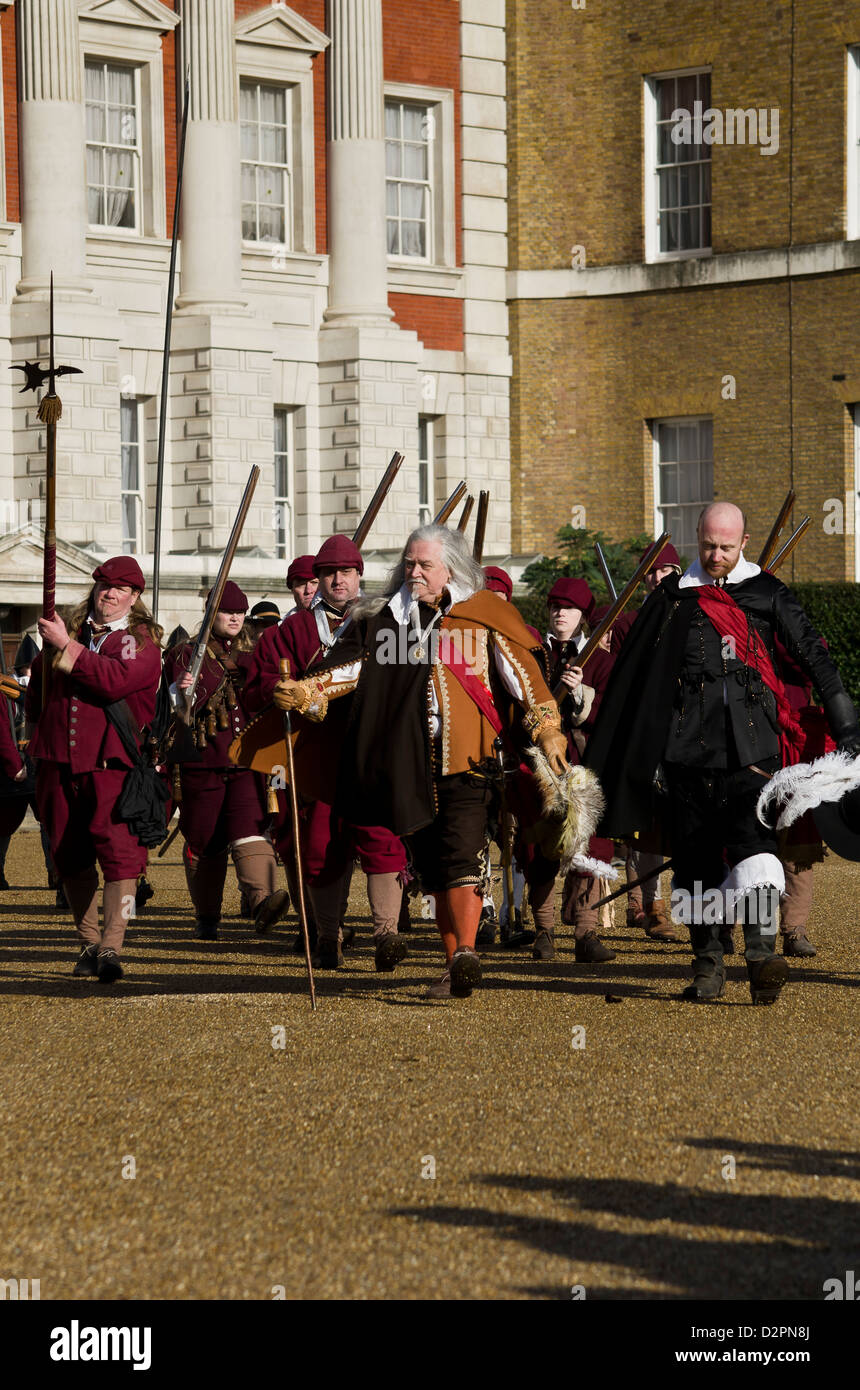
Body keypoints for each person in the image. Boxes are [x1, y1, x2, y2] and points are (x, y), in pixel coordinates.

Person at [270, 526, 570, 999]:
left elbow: (523, 678)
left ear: (450, 567)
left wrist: (548, 727)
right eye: (408, 563)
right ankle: (454, 965)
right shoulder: (385, 619)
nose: (413, 572)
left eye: (424, 564)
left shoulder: (485, 615)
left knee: (463, 854)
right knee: (432, 867)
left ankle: (466, 951)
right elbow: (354, 670)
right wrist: (308, 690)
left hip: (471, 760)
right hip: (407, 764)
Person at [585, 502, 860, 1004]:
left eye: (726, 548)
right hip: (685, 751)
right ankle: (708, 967)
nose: (716, 556)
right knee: (695, 861)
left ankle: (760, 958)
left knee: (754, 845)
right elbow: (633, 679)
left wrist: (846, 723)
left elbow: (814, 655)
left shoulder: (767, 592)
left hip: (755, 750)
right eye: (708, 546)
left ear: (744, 543)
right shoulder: (672, 597)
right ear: (698, 538)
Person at [243, 535, 408, 972]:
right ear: (316, 580)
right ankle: (326, 938)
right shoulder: (289, 632)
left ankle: (385, 934)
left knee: (382, 840)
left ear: (360, 576)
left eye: (346, 572)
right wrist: (274, 690)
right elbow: (257, 685)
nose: (338, 580)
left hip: (372, 751)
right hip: (313, 755)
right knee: (318, 846)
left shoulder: (388, 624)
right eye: (328, 573)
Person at [25, 557, 163, 982]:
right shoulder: (68, 631)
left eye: (121, 588)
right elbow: (37, 694)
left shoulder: (140, 641)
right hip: (58, 764)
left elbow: (114, 681)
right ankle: (87, 941)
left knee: (122, 862)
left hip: (113, 767)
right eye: (105, 585)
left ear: (135, 597)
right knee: (68, 856)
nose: (110, 593)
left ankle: (113, 943)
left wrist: (66, 646)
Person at [163, 581, 288, 940]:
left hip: (247, 761)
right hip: (202, 762)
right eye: (226, 612)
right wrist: (184, 692)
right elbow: (178, 705)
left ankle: (262, 902)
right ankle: (207, 916)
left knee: (251, 827)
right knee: (205, 840)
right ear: (210, 613)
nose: (234, 618)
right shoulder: (185, 655)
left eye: (239, 612)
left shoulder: (255, 655)